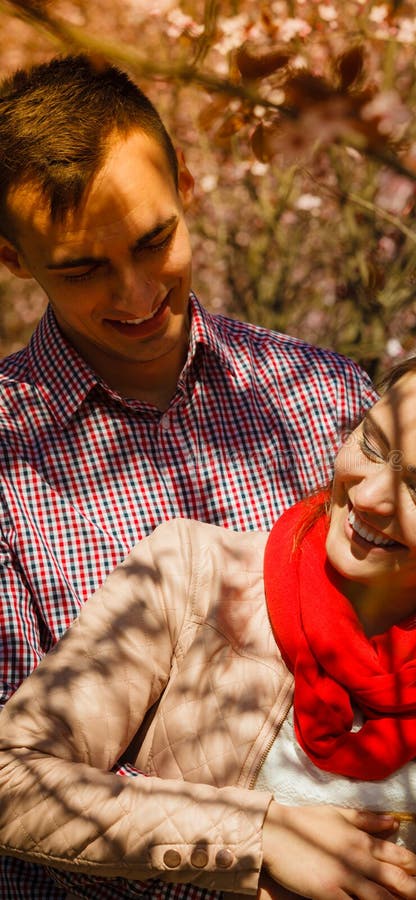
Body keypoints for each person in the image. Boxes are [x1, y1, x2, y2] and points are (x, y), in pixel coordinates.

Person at [3, 326, 416, 900]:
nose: (367, 496)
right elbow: (13, 782)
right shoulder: (192, 574)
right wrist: (257, 837)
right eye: (371, 443)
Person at [0, 53, 380, 900]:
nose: (137, 294)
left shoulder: (325, 398)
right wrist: (256, 838)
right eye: (82, 268)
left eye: (153, 241)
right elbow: (15, 781)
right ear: (14, 259)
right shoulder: (6, 467)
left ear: (188, 186)